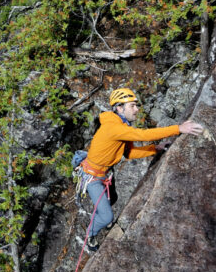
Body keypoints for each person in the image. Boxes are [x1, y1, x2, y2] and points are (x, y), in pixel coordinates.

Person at [72, 87, 203, 253]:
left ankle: (103, 217)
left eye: (136, 105)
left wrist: (155, 148)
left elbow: (129, 153)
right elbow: (142, 135)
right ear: (119, 108)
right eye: (132, 106)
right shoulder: (114, 128)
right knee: (106, 217)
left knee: (113, 199)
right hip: (92, 178)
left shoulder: (120, 124)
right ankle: (89, 235)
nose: (137, 109)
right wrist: (178, 128)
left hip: (104, 173)